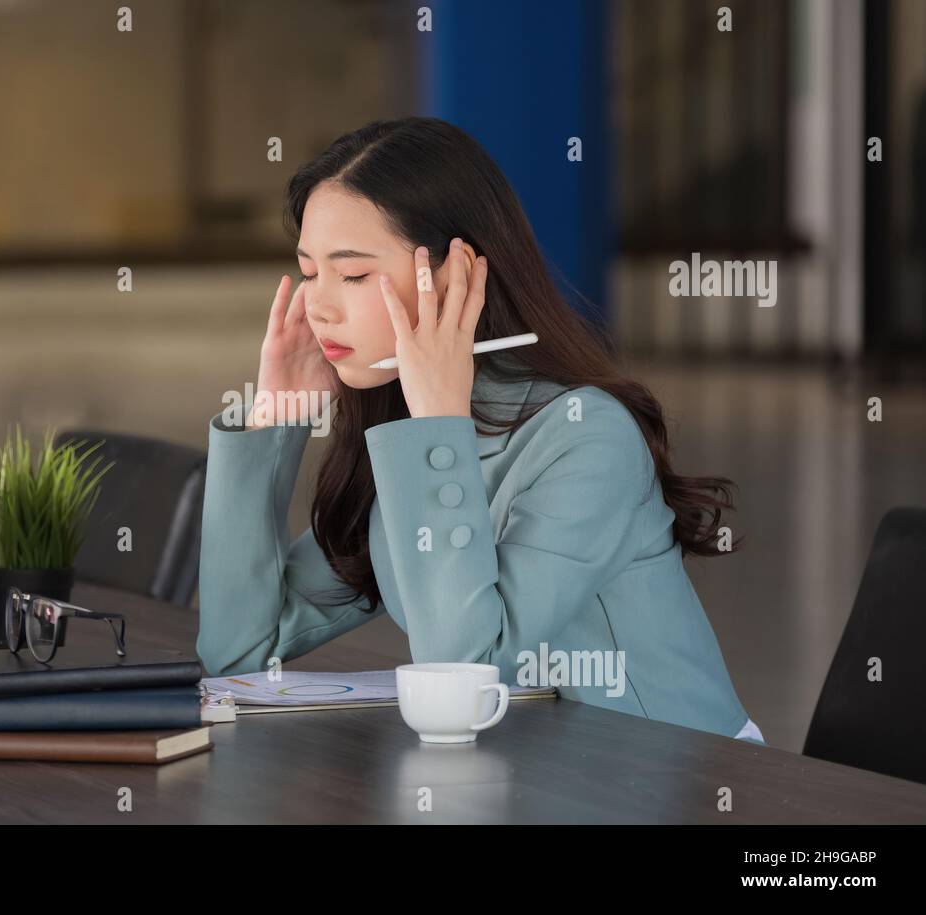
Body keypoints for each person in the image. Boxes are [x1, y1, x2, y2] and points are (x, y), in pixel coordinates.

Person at [196, 116, 764, 744]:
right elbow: (240, 652)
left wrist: (438, 428)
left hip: (677, 781)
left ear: (453, 272)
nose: (319, 305)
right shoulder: (399, 424)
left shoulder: (587, 435)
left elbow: (463, 675)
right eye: (310, 271)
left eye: (352, 274)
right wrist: (276, 420)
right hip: (532, 780)